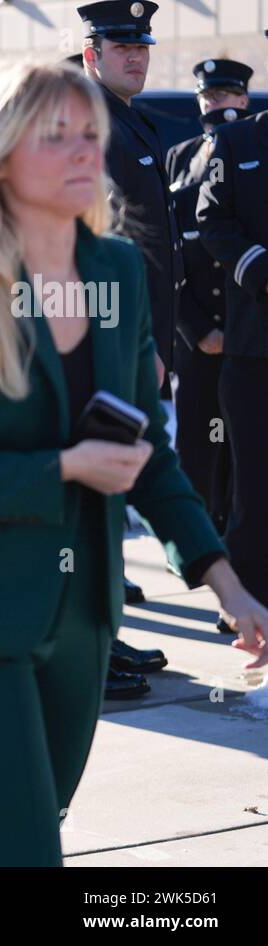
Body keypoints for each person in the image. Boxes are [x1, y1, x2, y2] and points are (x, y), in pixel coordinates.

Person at [0, 59, 268, 866]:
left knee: (14, 838)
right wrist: (63, 466)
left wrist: (225, 581)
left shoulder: (115, 269)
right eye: (57, 137)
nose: (87, 151)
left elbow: (142, 448)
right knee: (19, 854)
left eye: (92, 133)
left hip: (79, 622)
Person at [78, 0, 177, 686]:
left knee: (111, 492)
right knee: (89, 494)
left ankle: (104, 629)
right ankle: (85, 646)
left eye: (141, 46)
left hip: (139, 337)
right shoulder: (86, 123)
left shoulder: (133, 119)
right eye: (121, 47)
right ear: (92, 54)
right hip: (101, 339)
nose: (135, 56)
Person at [165, 60, 252, 543]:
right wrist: (196, 329)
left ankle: (237, 544)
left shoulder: (253, 152)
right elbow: (167, 254)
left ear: (244, 98)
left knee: (244, 453)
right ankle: (199, 543)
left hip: (248, 336)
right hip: (198, 338)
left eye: (226, 95)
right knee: (199, 447)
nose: (216, 103)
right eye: (208, 96)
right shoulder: (179, 158)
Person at [197, 48, 268, 625]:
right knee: (253, 480)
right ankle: (248, 604)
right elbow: (212, 222)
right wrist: (262, 270)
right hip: (254, 347)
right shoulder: (239, 142)